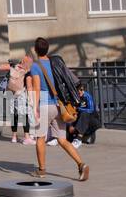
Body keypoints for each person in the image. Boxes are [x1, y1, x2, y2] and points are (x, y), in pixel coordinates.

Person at [26, 38, 89, 182]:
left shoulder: (36, 66)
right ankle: (81, 164)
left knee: (40, 138)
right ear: (47, 49)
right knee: (62, 139)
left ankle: (41, 170)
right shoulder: (55, 63)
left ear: (36, 50)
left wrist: (34, 108)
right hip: (59, 106)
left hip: (44, 106)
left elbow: (36, 88)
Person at [0, 56, 31, 144]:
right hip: (21, 94)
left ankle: (13, 137)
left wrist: (10, 65)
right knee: (24, 115)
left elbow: (0, 67)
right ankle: (27, 137)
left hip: (11, 93)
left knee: (13, 116)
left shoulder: (12, 67)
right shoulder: (26, 69)